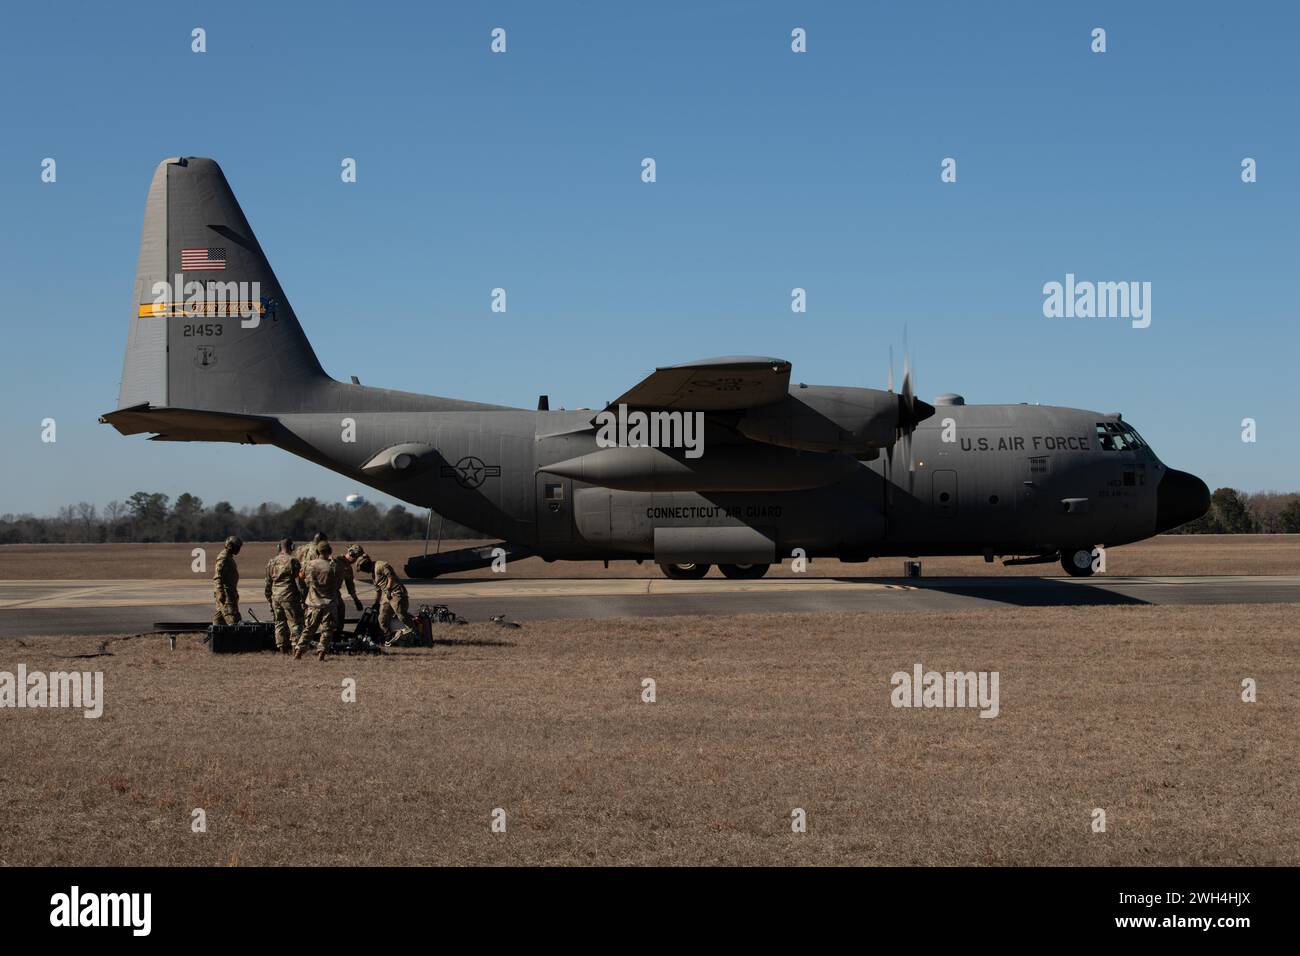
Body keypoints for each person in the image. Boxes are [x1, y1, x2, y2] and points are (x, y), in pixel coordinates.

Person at [350, 546, 417, 645]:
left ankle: (414, 633)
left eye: (363, 569)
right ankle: (389, 638)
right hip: (387, 595)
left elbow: (391, 577)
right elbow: (378, 591)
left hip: (396, 592)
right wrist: (376, 603)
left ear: (366, 564)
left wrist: (389, 590)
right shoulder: (373, 575)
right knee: (382, 619)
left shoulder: (381, 565)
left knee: (401, 615)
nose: (364, 572)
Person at [296, 542, 339, 661]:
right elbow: (338, 583)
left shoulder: (309, 564)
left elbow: (301, 577)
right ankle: (321, 653)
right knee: (326, 630)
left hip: (313, 602)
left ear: (317, 552)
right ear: (329, 551)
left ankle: (299, 651)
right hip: (329, 603)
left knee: (309, 628)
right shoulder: (333, 566)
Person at [264, 538, 305, 654]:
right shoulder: (293, 561)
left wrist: (269, 597)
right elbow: (299, 583)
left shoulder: (272, 561)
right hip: (290, 597)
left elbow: (268, 582)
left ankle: (282, 649)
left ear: (278, 547)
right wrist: (304, 597)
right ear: (292, 547)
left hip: (276, 597)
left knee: (279, 623)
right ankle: (295, 649)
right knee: (295, 623)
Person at [332, 545, 364, 633]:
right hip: (327, 591)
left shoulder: (348, 568)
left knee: (341, 609)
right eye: (356, 557)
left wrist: (356, 600)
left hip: (335, 593)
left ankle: (337, 633)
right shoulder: (335, 561)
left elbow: (350, 585)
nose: (355, 560)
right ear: (351, 554)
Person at [212, 535, 242, 625]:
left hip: (229, 592)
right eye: (237, 547)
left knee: (219, 619)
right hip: (226, 594)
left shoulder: (229, 557)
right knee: (233, 620)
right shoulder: (224, 557)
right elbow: (218, 577)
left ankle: (216, 637)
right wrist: (220, 593)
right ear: (230, 546)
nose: (238, 550)